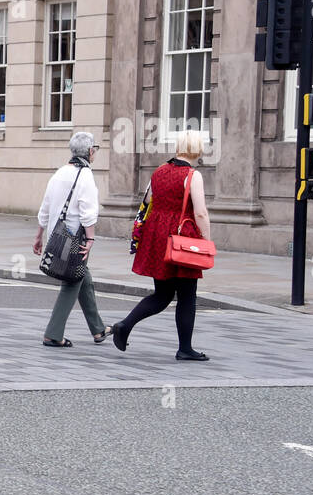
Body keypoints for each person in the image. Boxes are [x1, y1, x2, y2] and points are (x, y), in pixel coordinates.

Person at [111, 130, 213, 360]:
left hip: (157, 237)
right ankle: (185, 349)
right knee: (187, 295)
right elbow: (200, 212)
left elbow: (147, 200)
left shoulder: (159, 171)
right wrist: (206, 240)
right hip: (182, 239)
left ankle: (124, 326)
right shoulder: (192, 175)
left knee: (163, 294)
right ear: (197, 149)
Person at [33, 131, 111, 347]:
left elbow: (45, 207)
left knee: (82, 277)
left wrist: (39, 235)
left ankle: (98, 329)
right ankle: (53, 334)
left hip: (56, 236)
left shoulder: (59, 173)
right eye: (95, 149)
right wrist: (91, 240)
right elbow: (88, 212)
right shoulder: (85, 175)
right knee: (72, 281)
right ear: (90, 151)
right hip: (75, 239)